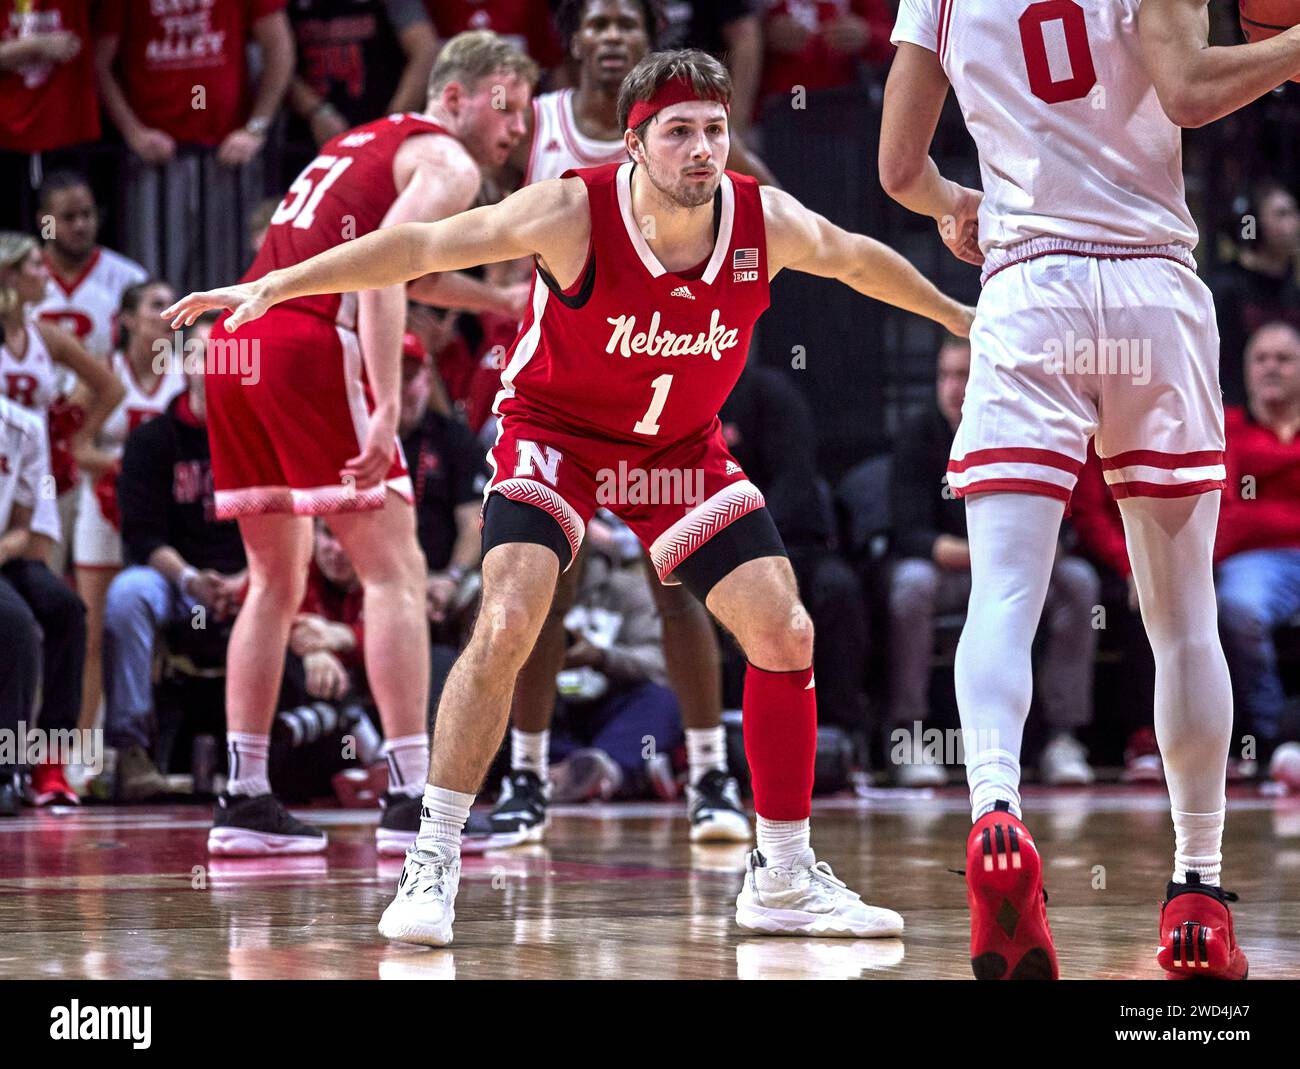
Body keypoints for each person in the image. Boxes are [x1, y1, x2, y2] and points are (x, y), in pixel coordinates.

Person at [167, 47, 973, 946]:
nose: (703, 151)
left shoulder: (761, 219)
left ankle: (783, 875)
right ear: (634, 144)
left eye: (714, 131)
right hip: (557, 434)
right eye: (679, 134)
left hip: (676, 449)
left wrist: (961, 317)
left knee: (785, 629)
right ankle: (431, 859)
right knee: (508, 617)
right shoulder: (570, 210)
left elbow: (860, 260)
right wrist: (280, 279)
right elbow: (422, 247)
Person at [879, 0, 1300, 980]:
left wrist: (956, 204)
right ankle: (1194, 897)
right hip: (1149, 286)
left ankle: (994, 815)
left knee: (1003, 596)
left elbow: (898, 172)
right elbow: (1191, 92)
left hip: (1030, 289)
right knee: (1183, 619)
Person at [167, 32, 539, 858]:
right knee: (396, 570)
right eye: (504, 104)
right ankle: (411, 794)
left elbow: (405, 266)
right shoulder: (449, 161)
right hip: (311, 344)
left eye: (524, 110)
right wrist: (378, 406)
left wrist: (492, 299)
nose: (516, 127)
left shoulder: (362, 140)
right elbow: (379, 271)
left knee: (273, 578)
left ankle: (244, 794)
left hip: (240, 344)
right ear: (454, 98)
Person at [490, 0, 768, 847]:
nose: (612, 36)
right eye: (598, 22)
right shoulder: (533, 125)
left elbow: (755, 220)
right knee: (543, 587)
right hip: (562, 390)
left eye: (628, 25)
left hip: (662, 392)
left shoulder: (696, 144)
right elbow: (481, 225)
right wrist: (499, 291)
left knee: (677, 582)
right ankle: (526, 775)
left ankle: (712, 772)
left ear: (650, 51)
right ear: (573, 40)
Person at [886, 337, 1097, 788]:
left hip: (1020, 571)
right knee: (910, 584)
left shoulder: (1023, 425)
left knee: (1077, 582)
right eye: (945, 375)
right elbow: (912, 536)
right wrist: (997, 553)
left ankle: (1062, 737)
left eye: (964, 375)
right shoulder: (918, 434)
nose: (953, 387)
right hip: (953, 574)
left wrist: (1015, 556)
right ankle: (911, 735)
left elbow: (1060, 535)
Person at [104, 314, 247, 802]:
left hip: (253, 581)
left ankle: (269, 756)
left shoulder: (258, 433)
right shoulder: (152, 440)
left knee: (290, 588)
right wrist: (189, 580)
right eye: (204, 354)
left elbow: (291, 522)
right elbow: (141, 535)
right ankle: (132, 749)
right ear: (183, 363)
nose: (214, 365)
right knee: (127, 595)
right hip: (179, 583)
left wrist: (247, 580)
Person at [94, 0, 296, 289]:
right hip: (155, 159)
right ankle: (159, 336)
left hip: (227, 155)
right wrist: (132, 131)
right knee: (155, 274)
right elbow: (99, 62)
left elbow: (279, 47)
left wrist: (256, 127)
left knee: (230, 273)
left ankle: (223, 335)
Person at [73, 280, 186, 765]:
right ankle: (83, 752)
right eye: (156, 305)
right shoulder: (103, 374)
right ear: (127, 319)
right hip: (101, 509)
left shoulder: (186, 373)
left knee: (138, 624)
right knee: (94, 631)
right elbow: (74, 447)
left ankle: (134, 755)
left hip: (161, 516)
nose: (167, 313)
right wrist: (125, 467)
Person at [0, 232, 123, 568]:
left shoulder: (45, 335)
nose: (46, 274)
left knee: (44, 576)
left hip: (37, 468)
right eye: (37, 265)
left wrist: (78, 439)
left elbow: (110, 386)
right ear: (9, 273)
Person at [1216, 321, 1300, 766]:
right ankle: (1269, 737)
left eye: (1284, 359)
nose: (1271, 368)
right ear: (1246, 370)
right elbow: (1229, 510)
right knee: (1240, 607)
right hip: (1256, 561)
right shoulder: (1227, 428)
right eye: (1261, 359)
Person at [0, 392, 82, 811]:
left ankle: (50, 759)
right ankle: (6, 768)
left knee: (66, 609)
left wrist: (4, 548)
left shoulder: (22, 426)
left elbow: (25, 529)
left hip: (6, 553)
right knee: (13, 621)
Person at [283, 0, 439, 182]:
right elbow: (276, 60)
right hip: (312, 135)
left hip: (381, 126)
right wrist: (316, 111)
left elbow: (425, 52)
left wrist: (392, 122)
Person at [1210, 180, 1300, 408]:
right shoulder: (1224, 289)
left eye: (1293, 212)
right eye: (1282, 214)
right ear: (1254, 224)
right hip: (1234, 418)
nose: (1295, 222)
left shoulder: (1293, 290)